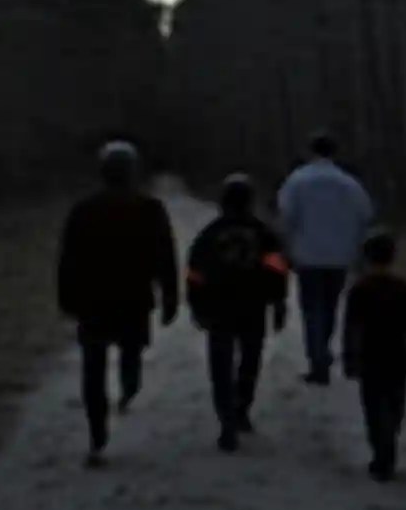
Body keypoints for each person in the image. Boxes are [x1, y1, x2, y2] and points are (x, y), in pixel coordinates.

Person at [57, 141, 179, 467]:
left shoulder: (83, 210)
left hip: (93, 299)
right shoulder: (150, 209)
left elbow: (68, 259)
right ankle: (128, 389)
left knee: (93, 367)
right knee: (131, 352)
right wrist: (169, 297)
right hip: (134, 298)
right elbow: (165, 257)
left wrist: (66, 297)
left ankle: (97, 431)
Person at [186, 174, 289, 453]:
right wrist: (279, 303)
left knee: (220, 366)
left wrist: (196, 305)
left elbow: (195, 274)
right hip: (253, 306)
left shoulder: (209, 234)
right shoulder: (263, 233)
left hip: (218, 307)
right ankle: (242, 408)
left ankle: (226, 420)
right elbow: (277, 271)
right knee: (250, 360)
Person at [277, 132, 374, 385]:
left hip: (307, 255)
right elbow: (366, 214)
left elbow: (286, 215)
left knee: (311, 309)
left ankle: (317, 359)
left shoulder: (298, 180)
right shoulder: (348, 183)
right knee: (330, 306)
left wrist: (286, 248)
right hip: (340, 255)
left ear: (311, 151)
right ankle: (323, 350)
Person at [342, 230, 406, 482]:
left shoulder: (360, 290)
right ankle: (389, 440)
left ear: (367, 258)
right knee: (395, 404)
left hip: (370, 358)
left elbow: (351, 329)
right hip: (398, 357)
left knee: (372, 407)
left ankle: (381, 450)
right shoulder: (405, 289)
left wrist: (350, 358)